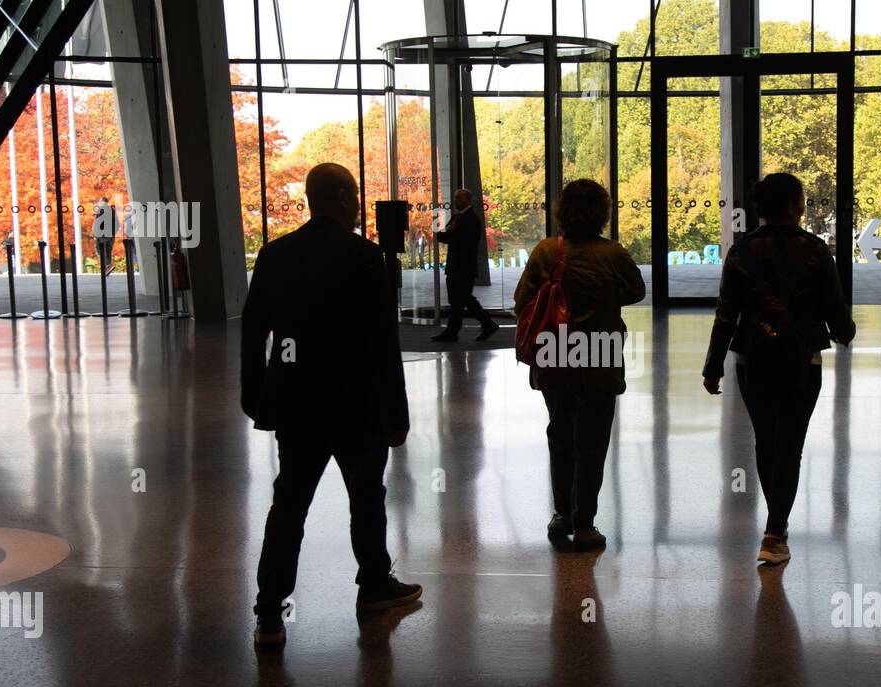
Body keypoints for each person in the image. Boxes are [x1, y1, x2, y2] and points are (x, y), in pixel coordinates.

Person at [241, 162, 420, 646]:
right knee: (367, 498)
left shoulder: (275, 254)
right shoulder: (365, 257)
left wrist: (255, 397)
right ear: (343, 197)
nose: (359, 200)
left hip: (297, 404)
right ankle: (374, 585)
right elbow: (385, 343)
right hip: (357, 405)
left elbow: (253, 329)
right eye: (355, 193)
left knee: (290, 505)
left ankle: (270, 613)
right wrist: (396, 415)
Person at [702, 172, 855, 566]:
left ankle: (775, 527)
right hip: (803, 358)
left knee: (766, 442)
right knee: (791, 445)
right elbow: (837, 315)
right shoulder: (816, 251)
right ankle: (775, 531)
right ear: (792, 204)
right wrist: (844, 331)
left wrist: (713, 365)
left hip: (752, 358)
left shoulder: (740, 252)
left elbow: (725, 315)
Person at [514, 179, 645, 551]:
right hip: (599, 354)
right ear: (603, 212)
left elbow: (521, 299)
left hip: (555, 351)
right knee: (593, 439)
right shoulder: (613, 253)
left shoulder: (545, 251)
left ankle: (561, 513)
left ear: (561, 210)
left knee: (560, 432)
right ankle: (586, 521)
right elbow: (637, 291)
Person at [431, 188, 500, 342]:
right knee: (457, 300)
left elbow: (462, 241)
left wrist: (450, 232)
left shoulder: (472, 219)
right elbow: (441, 237)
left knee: (463, 298)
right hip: (454, 265)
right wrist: (451, 230)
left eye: (460, 198)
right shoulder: (457, 217)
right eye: (456, 197)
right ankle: (454, 331)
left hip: (464, 267)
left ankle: (485, 325)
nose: (457, 200)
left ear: (469, 200)